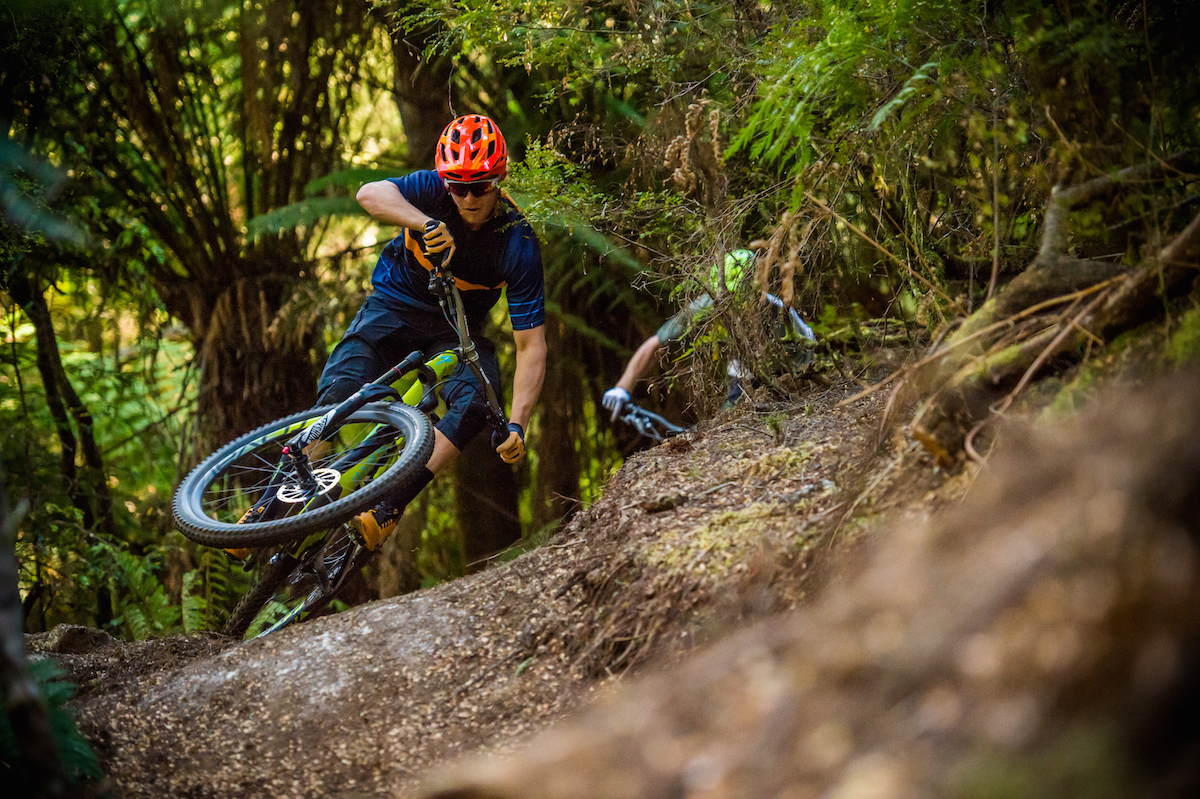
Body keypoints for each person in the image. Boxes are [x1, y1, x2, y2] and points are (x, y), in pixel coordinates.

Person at [316, 114, 547, 551]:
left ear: (500, 178)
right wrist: (423, 223)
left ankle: (385, 512)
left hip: (454, 330)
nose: (468, 196)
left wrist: (518, 423)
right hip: (393, 305)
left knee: (479, 402)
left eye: (480, 185)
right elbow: (370, 193)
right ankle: (279, 502)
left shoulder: (517, 243)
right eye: (458, 186)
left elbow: (530, 343)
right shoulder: (433, 189)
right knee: (338, 393)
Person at [602, 249, 814, 420]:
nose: (732, 308)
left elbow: (803, 353)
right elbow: (655, 344)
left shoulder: (775, 310)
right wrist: (622, 389)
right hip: (743, 372)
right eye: (725, 300)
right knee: (726, 423)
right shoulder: (704, 306)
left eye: (740, 299)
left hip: (790, 368)